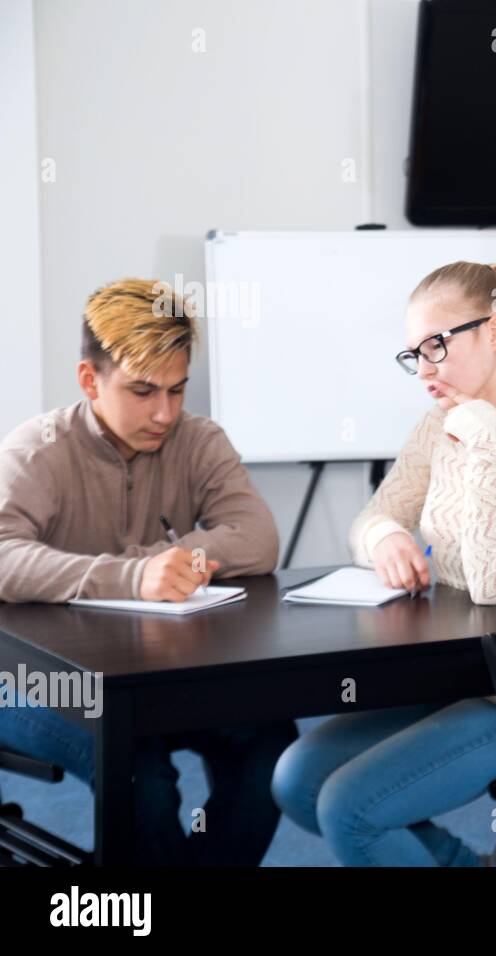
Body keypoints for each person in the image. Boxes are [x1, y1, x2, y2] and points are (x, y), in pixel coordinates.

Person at [271, 261, 496, 866]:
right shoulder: (439, 425)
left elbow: (493, 577)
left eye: (436, 345)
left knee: (347, 810)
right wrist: (383, 540)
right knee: (296, 781)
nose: (424, 369)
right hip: (450, 669)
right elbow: (372, 515)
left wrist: (484, 435)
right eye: (413, 354)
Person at [0, 278, 294, 865]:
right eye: (142, 391)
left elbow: (258, 540)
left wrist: (177, 561)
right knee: (141, 770)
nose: (164, 413)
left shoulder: (200, 440)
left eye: (177, 390)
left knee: (270, 745)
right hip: (30, 682)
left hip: (157, 676)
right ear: (90, 380)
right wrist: (133, 577)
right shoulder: (39, 449)